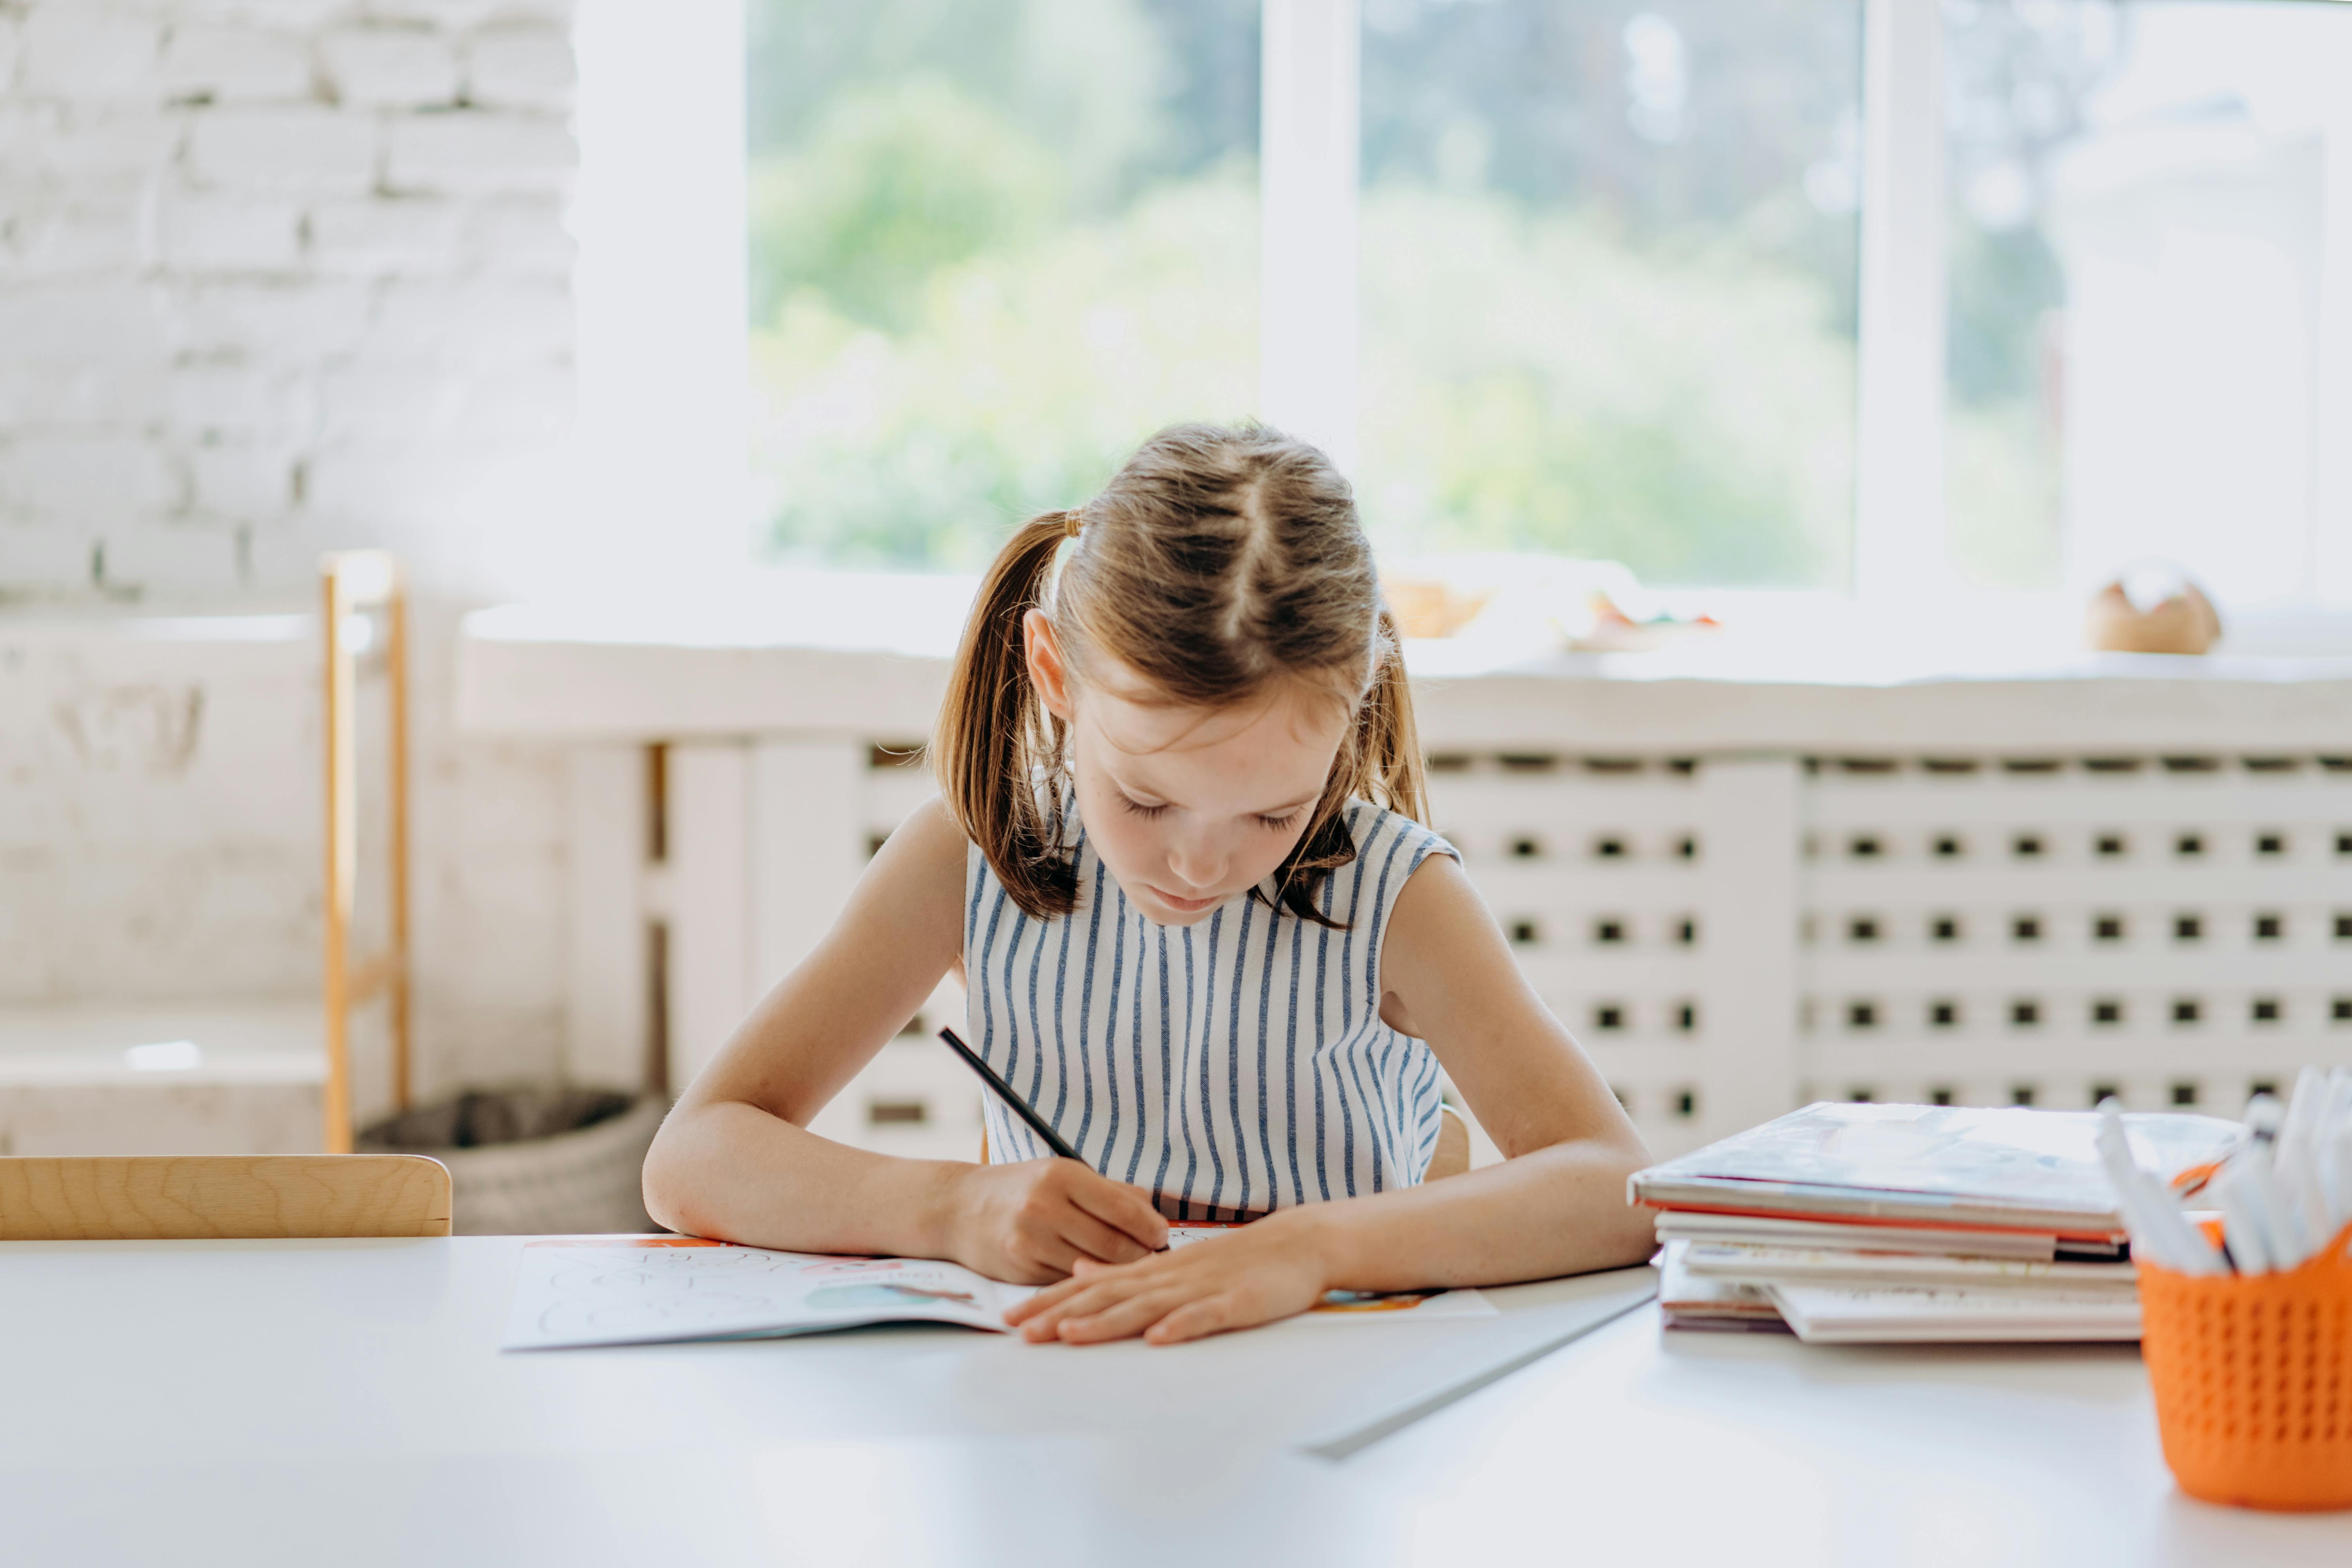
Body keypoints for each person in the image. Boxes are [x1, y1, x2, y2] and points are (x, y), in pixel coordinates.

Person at [642, 423, 1655, 1345]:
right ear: (1055, 677)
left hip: (1328, 1391)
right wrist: (953, 1207)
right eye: (1147, 799)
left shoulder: (1399, 898)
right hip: (1058, 1392)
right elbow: (692, 1157)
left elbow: (1617, 1185)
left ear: (1350, 713)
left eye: (1272, 813)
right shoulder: (971, 856)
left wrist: (1316, 1248)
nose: (1201, 866)